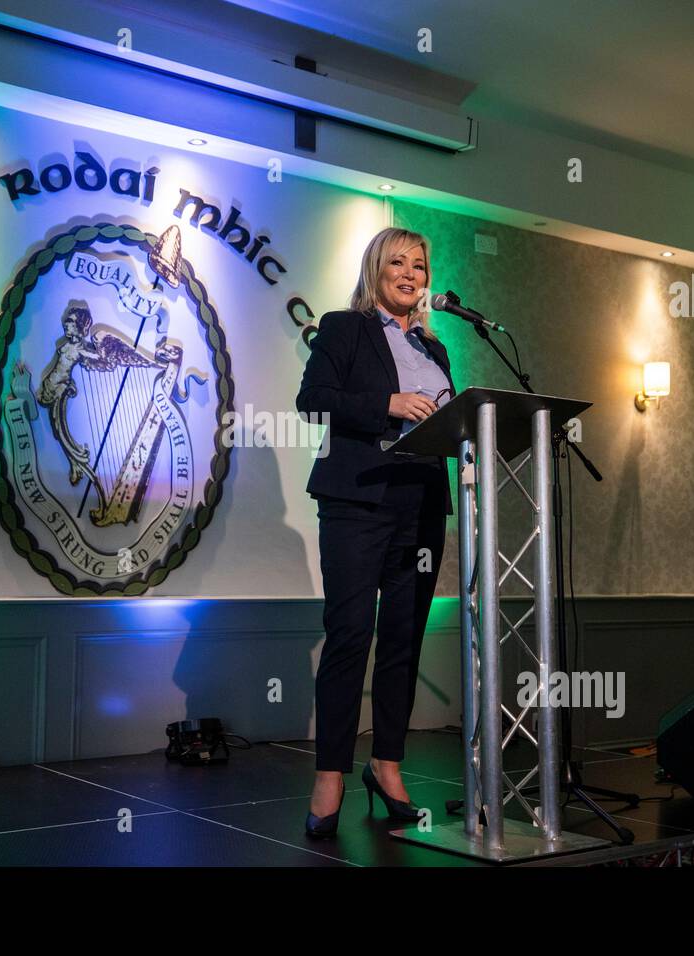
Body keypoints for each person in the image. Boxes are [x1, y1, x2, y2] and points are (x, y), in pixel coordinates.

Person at [295, 227, 455, 838]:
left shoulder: (435, 351)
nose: (410, 273)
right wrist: (388, 402)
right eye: (397, 262)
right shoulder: (345, 327)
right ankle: (331, 773)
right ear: (375, 269)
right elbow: (312, 400)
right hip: (358, 503)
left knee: (403, 641)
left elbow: (445, 417)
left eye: (419, 264)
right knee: (351, 636)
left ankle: (387, 765)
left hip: (419, 507)